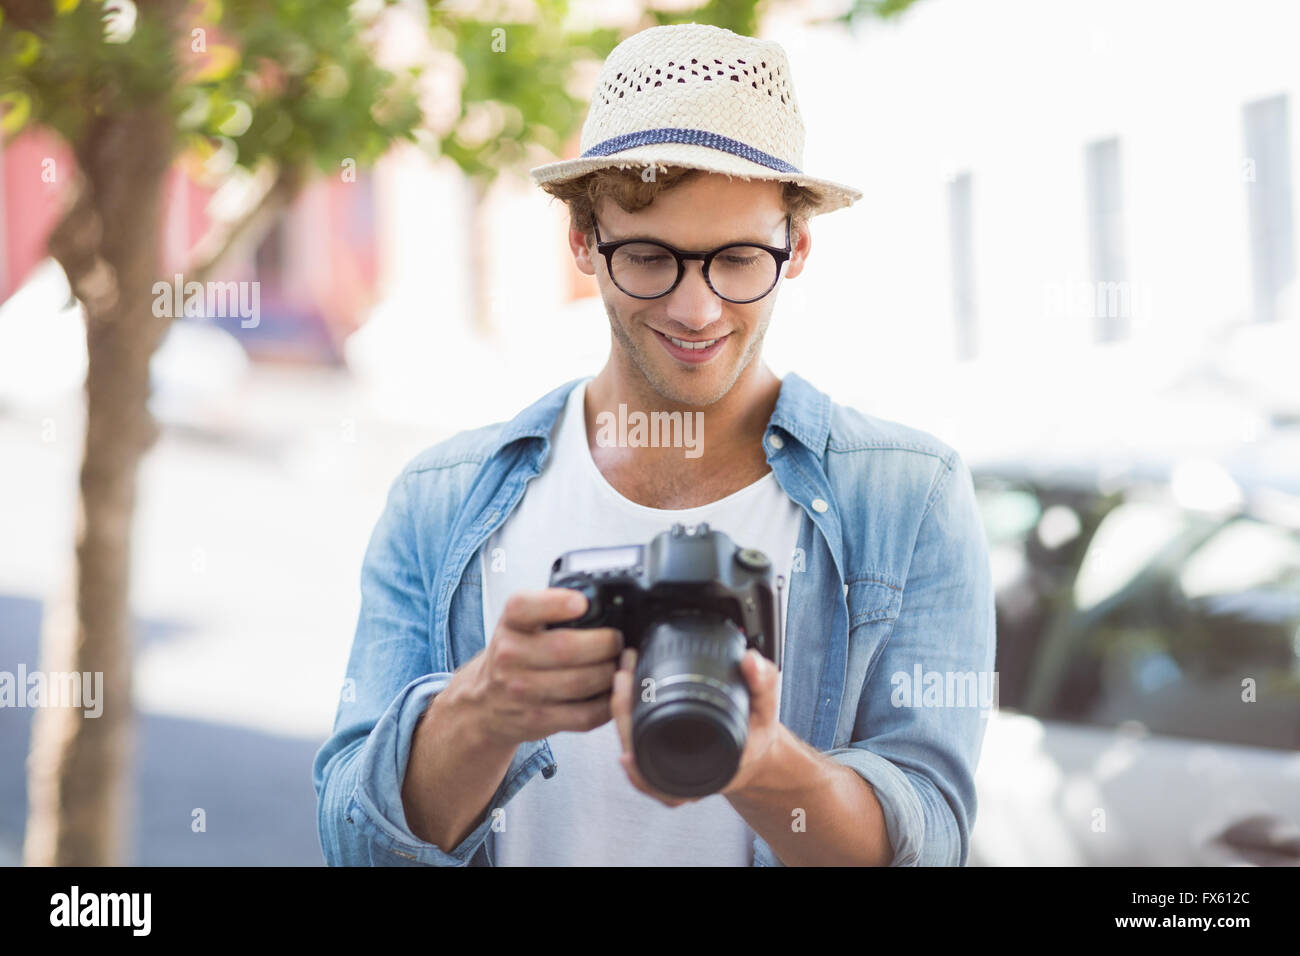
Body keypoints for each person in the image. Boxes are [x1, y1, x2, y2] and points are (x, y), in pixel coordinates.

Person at [312, 22, 996, 867]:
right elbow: (352, 845)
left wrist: (758, 761)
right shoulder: (440, 499)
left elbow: (928, 848)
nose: (696, 309)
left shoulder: (907, 496)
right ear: (581, 243)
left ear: (798, 248)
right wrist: (485, 710)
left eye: (739, 259)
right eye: (649, 257)